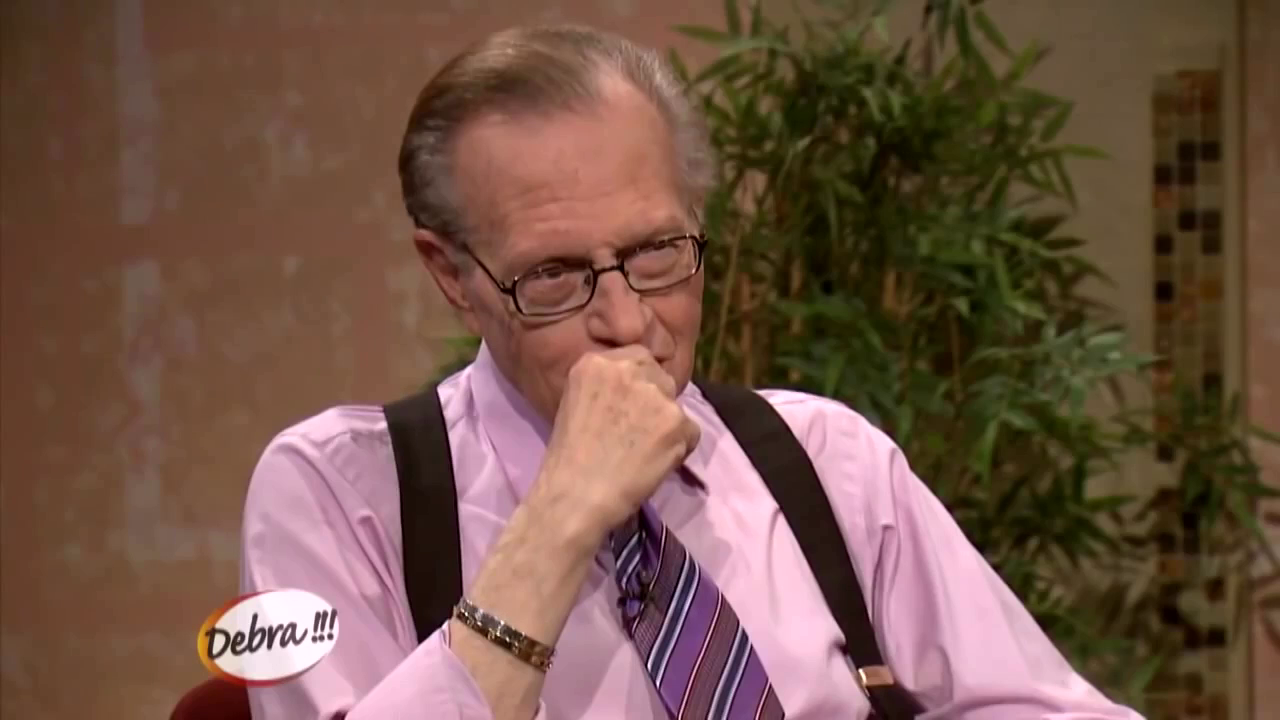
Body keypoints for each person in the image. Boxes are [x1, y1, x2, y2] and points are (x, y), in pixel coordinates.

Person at [240, 24, 1145, 720]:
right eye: (553, 275)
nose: (628, 322)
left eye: (658, 252)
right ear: (451, 276)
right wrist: (561, 518)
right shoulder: (338, 495)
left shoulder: (828, 460)